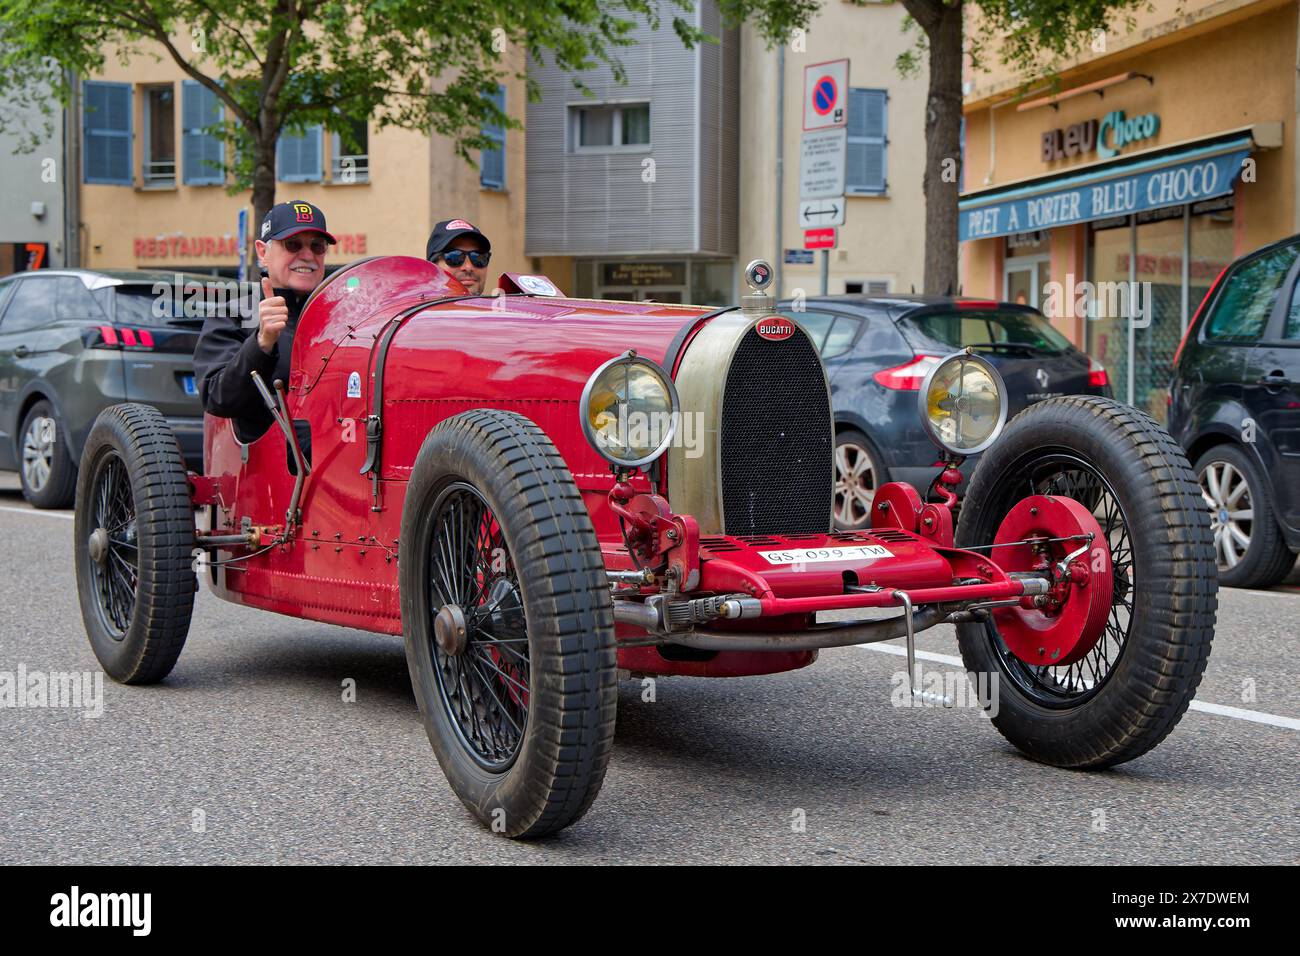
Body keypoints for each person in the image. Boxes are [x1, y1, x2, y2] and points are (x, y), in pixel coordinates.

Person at [194, 200, 336, 440]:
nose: (307, 255)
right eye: (293, 245)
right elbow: (217, 399)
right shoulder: (233, 315)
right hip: (272, 460)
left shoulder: (340, 315)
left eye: (317, 246)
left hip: (345, 453)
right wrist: (262, 342)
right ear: (262, 252)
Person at [425, 218, 492, 295]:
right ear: (432, 268)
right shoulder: (411, 306)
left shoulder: (499, 306)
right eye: (454, 257)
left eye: (477, 257)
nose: (468, 267)